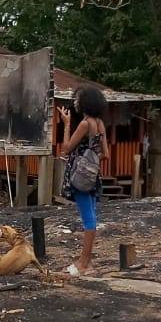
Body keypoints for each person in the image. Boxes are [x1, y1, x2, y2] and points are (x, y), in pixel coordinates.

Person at [58, 86, 108, 277]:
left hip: (80, 176)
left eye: (78, 99)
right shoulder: (100, 123)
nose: (75, 102)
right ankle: (87, 261)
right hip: (93, 175)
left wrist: (66, 124)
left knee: (88, 218)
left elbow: (66, 148)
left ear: (86, 103)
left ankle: (84, 262)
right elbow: (106, 154)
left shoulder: (85, 124)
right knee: (91, 215)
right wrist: (91, 160)